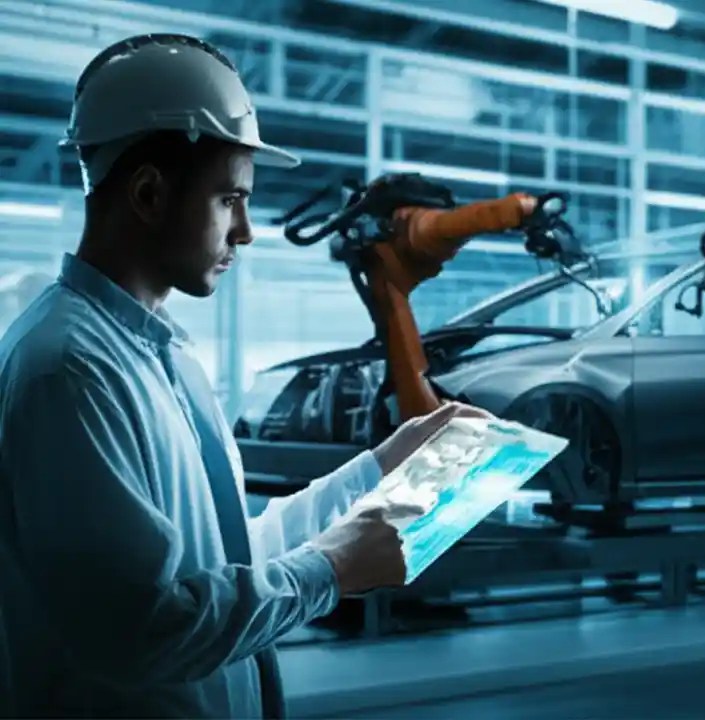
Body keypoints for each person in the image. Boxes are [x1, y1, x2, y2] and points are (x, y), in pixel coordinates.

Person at [0, 34, 488, 718]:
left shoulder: (162, 353)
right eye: (231, 199)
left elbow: (225, 560)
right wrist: (329, 572)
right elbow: (143, 629)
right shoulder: (69, 373)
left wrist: (379, 469)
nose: (247, 230)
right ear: (147, 194)